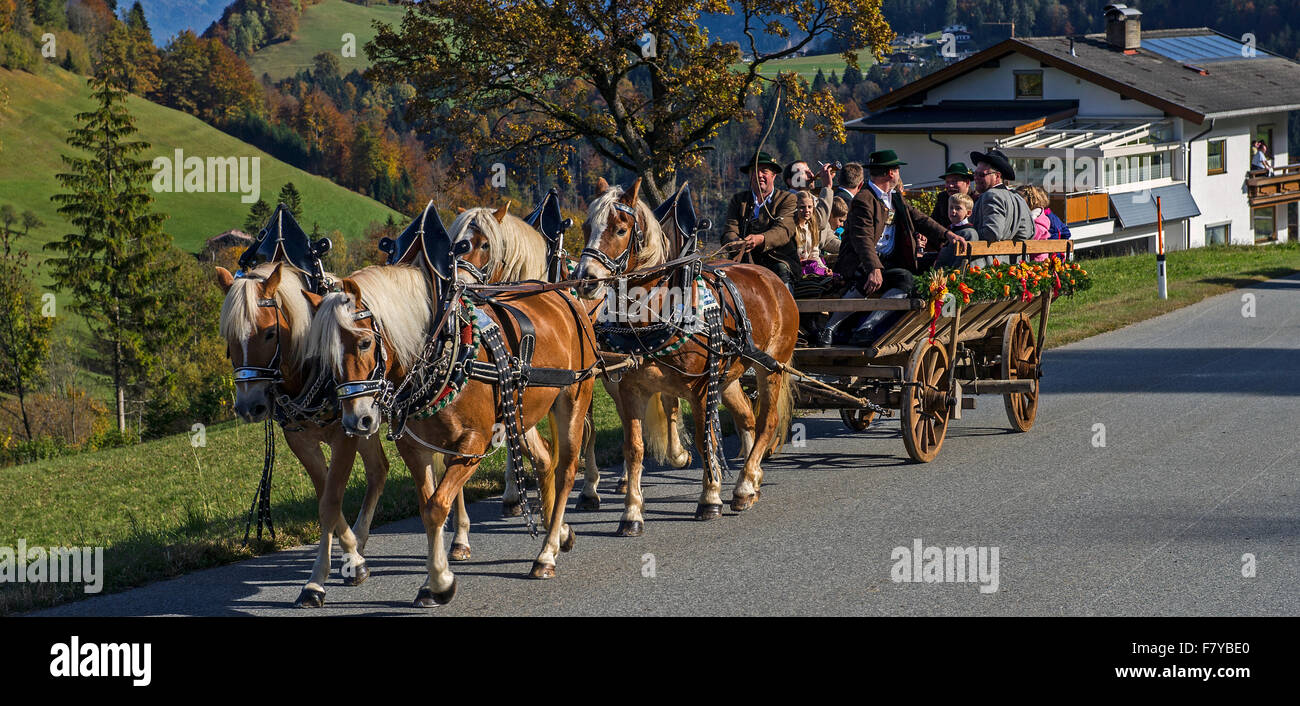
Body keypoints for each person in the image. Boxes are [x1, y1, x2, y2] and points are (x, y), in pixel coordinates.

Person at [820, 149, 966, 346]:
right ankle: (830, 327)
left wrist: (947, 234)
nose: (899, 174)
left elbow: (918, 218)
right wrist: (874, 267)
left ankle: (867, 327)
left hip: (888, 261)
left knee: (918, 274)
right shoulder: (864, 199)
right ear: (891, 173)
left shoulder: (894, 196)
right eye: (897, 170)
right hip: (861, 261)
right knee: (875, 278)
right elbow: (862, 238)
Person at [722, 151, 799, 290]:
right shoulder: (738, 200)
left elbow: (783, 230)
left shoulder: (787, 199)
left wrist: (760, 239)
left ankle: (786, 310)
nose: (759, 175)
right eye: (754, 171)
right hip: (743, 261)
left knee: (781, 270)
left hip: (778, 260)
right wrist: (736, 243)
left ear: (773, 175)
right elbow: (729, 230)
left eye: (764, 171)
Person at [969, 149, 1033, 243]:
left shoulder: (991, 195)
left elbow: (992, 233)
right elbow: (1027, 233)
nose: (976, 178)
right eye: (975, 174)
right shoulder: (1017, 197)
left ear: (997, 176)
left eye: (982, 174)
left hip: (987, 257)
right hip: (1012, 257)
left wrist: (967, 234)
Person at [793, 190, 831, 276]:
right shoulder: (791, 228)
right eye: (802, 207)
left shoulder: (812, 227)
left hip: (809, 269)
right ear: (796, 208)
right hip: (795, 269)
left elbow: (814, 255)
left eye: (809, 207)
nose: (807, 210)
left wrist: (824, 269)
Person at [930, 162, 974, 227]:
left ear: (967, 182)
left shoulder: (976, 199)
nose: (950, 185)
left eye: (954, 181)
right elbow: (933, 221)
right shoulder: (943, 198)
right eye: (947, 182)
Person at [1016, 185, 1052, 262]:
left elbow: (1030, 237)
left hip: (1037, 262)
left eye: (1019, 200)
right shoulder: (1037, 218)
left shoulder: (1038, 221)